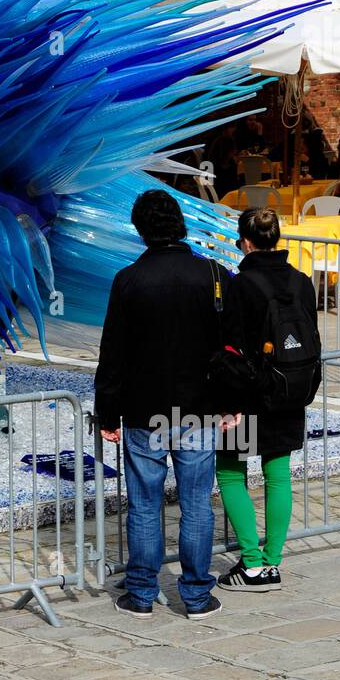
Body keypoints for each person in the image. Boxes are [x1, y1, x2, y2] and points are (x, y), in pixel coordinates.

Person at [94, 189, 234, 619]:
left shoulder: (129, 281)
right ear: (181, 224)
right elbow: (233, 348)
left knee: (144, 504)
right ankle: (195, 594)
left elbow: (113, 352)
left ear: (140, 230)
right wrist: (232, 404)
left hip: (144, 411)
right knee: (195, 503)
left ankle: (140, 593)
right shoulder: (213, 274)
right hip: (199, 409)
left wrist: (107, 412)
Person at [216, 208, 321, 591]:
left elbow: (232, 348)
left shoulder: (240, 285)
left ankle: (252, 564)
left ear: (245, 242)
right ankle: (273, 561)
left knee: (230, 471)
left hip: (249, 392)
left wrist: (230, 403)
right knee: (278, 475)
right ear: (276, 238)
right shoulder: (301, 281)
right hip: (292, 388)